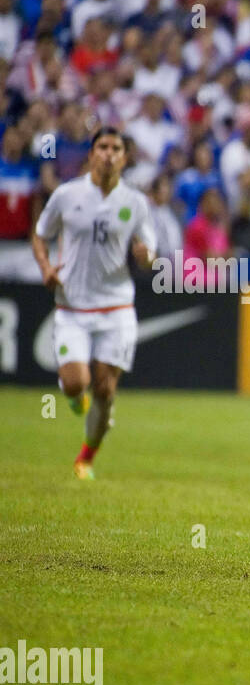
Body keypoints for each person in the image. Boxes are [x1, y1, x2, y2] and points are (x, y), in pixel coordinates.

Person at [30, 127, 157, 480]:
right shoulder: (67, 195)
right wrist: (45, 267)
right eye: (102, 146)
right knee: (74, 382)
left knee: (105, 388)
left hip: (116, 307)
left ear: (125, 157)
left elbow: (150, 252)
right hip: (72, 306)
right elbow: (40, 235)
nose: (109, 153)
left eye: (116, 148)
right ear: (91, 154)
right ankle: (75, 398)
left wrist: (146, 257)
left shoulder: (134, 202)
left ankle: (86, 456)